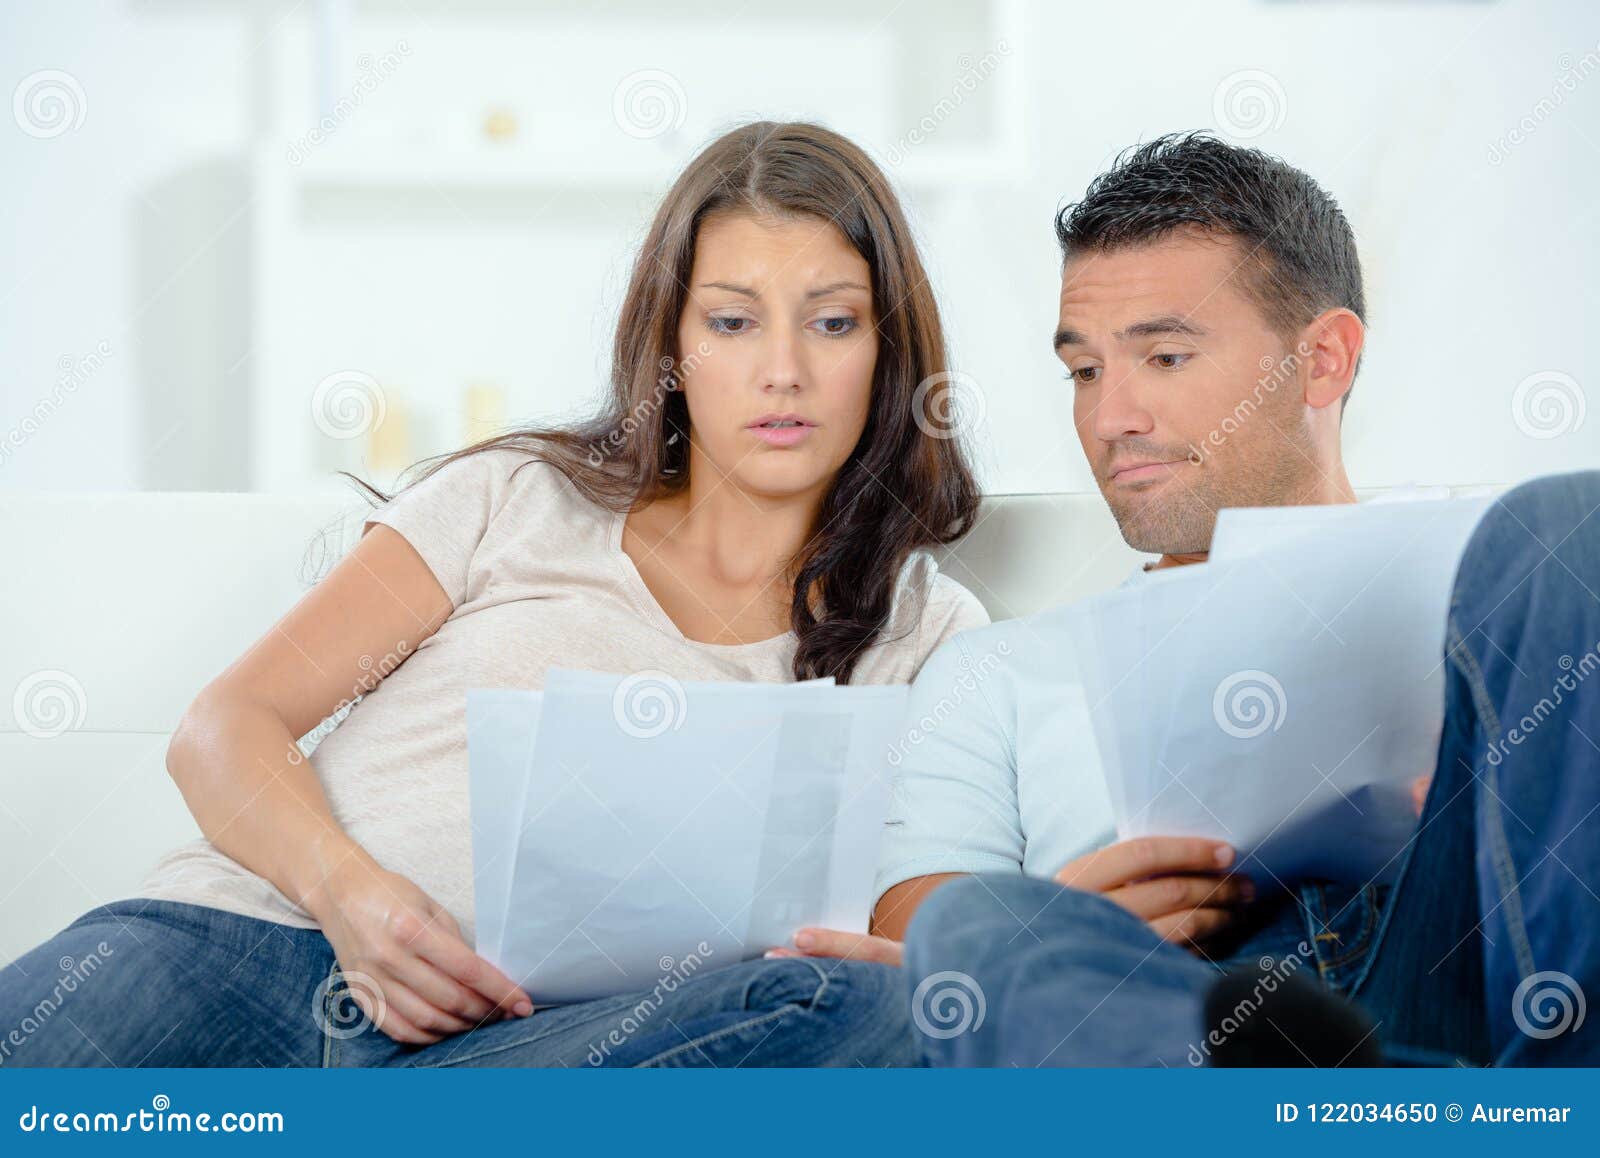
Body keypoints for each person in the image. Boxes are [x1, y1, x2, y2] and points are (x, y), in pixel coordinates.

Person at [0, 121, 988, 1068]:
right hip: (248, 955)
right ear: (675, 352)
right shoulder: (518, 497)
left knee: (871, 1010)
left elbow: (903, 945)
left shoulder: (930, 632)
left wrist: (930, 975)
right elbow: (223, 728)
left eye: (832, 321)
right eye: (732, 321)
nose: (784, 371)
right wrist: (353, 898)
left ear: (886, 348)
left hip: (528, 1050)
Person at [779, 133, 1599, 1066]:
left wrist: (1480, 807)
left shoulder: (1501, 594)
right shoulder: (990, 669)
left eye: (1163, 357)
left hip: (1444, 965)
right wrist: (1074, 912)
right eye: (1084, 371)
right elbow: (915, 932)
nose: (1109, 419)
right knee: (975, 930)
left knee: (1572, 523)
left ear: (1323, 359)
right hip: (1169, 1010)